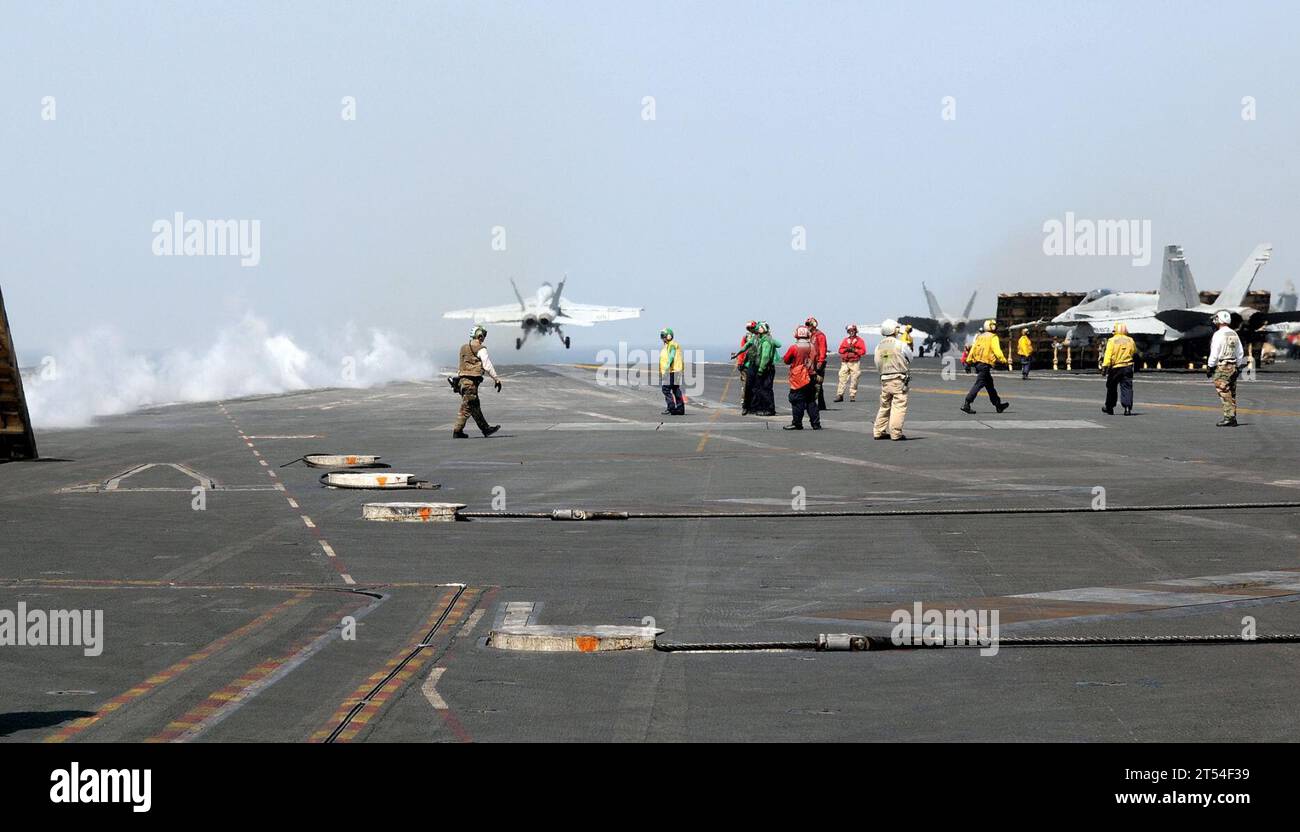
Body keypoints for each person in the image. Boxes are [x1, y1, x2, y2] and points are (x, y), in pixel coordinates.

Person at [451, 325, 502, 438]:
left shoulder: (463, 348)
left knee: (469, 406)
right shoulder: (480, 349)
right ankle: (485, 429)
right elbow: (487, 365)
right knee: (470, 407)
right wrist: (496, 379)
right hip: (471, 384)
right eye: (483, 335)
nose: (484, 338)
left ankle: (458, 431)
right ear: (479, 335)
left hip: (462, 383)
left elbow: (462, 365)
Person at [960, 320, 1011, 414]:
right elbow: (997, 350)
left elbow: (973, 349)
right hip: (985, 365)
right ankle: (967, 403)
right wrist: (1003, 361)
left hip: (978, 364)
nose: (996, 327)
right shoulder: (993, 337)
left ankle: (998, 405)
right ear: (991, 326)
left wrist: (968, 362)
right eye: (994, 326)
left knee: (990, 386)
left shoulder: (980, 336)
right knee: (979, 384)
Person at [873, 319, 912, 440]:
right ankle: (895, 433)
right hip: (898, 379)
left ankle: (878, 431)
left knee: (884, 405)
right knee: (898, 405)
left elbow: (876, 362)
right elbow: (910, 358)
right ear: (893, 329)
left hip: (884, 379)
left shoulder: (878, 346)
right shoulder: (900, 344)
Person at [1207, 310, 1247, 427]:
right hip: (1233, 366)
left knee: (1223, 392)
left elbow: (1215, 352)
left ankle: (1229, 418)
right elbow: (1240, 352)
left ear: (1219, 320)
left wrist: (1210, 366)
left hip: (1223, 366)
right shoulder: (1234, 334)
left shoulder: (1218, 334)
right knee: (1232, 392)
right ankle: (1232, 417)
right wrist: (1238, 366)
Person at [782, 326, 821, 430]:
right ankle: (816, 423)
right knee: (811, 400)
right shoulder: (812, 346)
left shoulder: (794, 347)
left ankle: (797, 423)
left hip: (798, 377)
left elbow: (786, 360)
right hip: (811, 375)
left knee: (796, 400)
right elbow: (816, 358)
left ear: (796, 335)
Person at [1099, 322, 1136, 415]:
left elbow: (1108, 354)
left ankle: (1109, 407)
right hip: (1128, 366)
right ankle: (1127, 408)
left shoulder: (1112, 340)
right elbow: (1134, 351)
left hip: (1115, 368)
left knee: (1111, 387)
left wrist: (1104, 367)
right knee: (1127, 387)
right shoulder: (1130, 340)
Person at [749, 322, 780, 416]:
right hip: (768, 368)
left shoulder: (766, 341)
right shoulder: (765, 340)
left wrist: (761, 369)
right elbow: (778, 344)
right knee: (764, 389)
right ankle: (764, 408)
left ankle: (769, 409)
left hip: (766, 369)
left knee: (765, 389)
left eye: (759, 328)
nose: (757, 329)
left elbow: (765, 357)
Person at [834, 324, 866, 402]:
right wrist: (846, 350)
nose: (851, 332)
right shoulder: (845, 340)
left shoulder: (860, 340)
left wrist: (855, 350)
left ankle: (852, 395)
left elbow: (863, 351)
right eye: (850, 331)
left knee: (854, 379)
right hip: (845, 362)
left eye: (853, 330)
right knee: (842, 378)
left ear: (855, 331)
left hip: (855, 362)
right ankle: (840, 394)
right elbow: (840, 350)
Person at [732, 321, 758, 414]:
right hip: (750, 366)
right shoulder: (754, 337)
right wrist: (740, 362)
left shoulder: (750, 337)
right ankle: (747, 405)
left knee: (747, 386)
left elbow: (742, 350)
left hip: (750, 365)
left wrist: (739, 362)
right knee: (749, 386)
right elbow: (742, 350)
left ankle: (747, 406)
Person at [658, 327, 686, 416]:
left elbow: (671, 356)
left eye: (663, 336)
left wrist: (667, 367)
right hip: (675, 370)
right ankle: (680, 409)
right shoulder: (668, 345)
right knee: (675, 389)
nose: (662, 338)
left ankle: (671, 407)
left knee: (665, 389)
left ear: (669, 336)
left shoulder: (672, 345)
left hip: (672, 371)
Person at [805, 317, 829, 409]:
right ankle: (819, 405)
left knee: (818, 383)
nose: (807, 327)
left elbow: (823, 349)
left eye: (809, 325)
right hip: (811, 363)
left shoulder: (820, 336)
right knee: (812, 383)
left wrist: (820, 361)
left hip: (818, 362)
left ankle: (818, 405)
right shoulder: (810, 335)